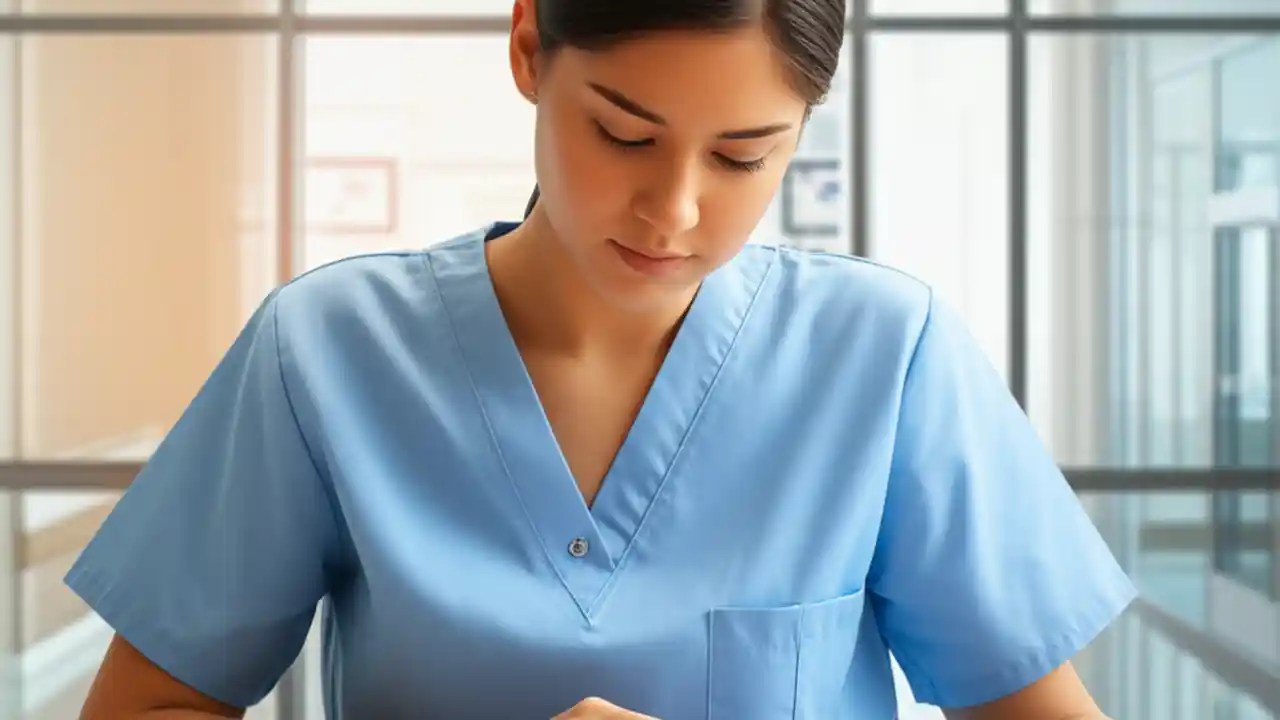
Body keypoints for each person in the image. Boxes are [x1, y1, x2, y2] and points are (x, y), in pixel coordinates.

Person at [70, 1, 1136, 718]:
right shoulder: (327, 353)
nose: (673, 211)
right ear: (530, 46)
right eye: (624, 135)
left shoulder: (882, 360)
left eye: (741, 156)